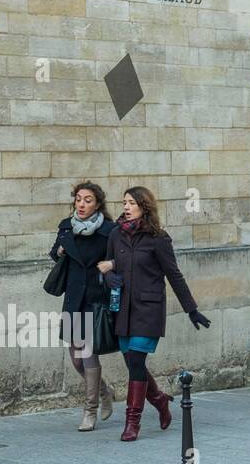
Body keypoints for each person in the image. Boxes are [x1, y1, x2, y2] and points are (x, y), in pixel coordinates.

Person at [97, 186, 211, 441]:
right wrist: (110, 276)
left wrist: (191, 310)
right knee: (133, 363)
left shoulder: (158, 238)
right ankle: (160, 401)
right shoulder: (116, 235)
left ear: (144, 206)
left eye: (131, 202)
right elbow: (107, 266)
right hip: (122, 309)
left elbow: (174, 275)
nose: (126, 206)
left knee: (136, 362)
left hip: (148, 309)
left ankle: (132, 422)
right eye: (124, 202)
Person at [49, 182, 117, 432]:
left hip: (95, 297)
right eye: (78, 199)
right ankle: (104, 391)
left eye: (88, 200)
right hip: (72, 298)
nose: (81, 204)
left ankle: (90, 411)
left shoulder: (109, 230)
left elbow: (119, 257)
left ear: (98, 204)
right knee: (76, 359)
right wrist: (59, 250)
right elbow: (54, 255)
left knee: (88, 354)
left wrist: (110, 264)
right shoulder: (66, 227)